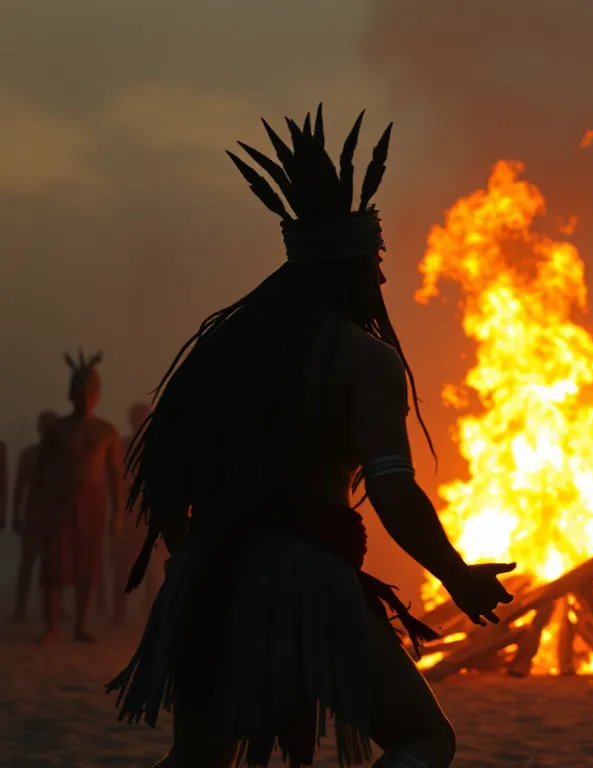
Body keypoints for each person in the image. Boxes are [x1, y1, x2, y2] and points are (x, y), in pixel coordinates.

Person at [105, 107, 516, 768]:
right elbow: (393, 491)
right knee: (425, 738)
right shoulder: (365, 359)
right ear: (353, 267)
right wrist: (456, 576)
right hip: (304, 579)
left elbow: (165, 473)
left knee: (200, 760)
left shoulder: (225, 349)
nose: (383, 280)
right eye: (378, 264)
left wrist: (196, 560)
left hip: (210, 574)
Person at [28, 352, 123, 643]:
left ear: (97, 394)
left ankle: (80, 625)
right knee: (54, 566)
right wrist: (33, 507)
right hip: (59, 503)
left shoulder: (107, 431)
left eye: (90, 390)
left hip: (93, 503)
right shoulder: (57, 430)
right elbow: (40, 472)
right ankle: (52, 626)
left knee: (88, 566)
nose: (84, 396)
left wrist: (117, 513)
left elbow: (114, 477)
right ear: (70, 393)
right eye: (79, 390)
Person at [8, 410, 59, 621]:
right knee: (28, 565)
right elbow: (19, 487)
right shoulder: (30, 454)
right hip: (35, 515)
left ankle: (54, 610)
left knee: (55, 566)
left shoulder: (62, 454)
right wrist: (16, 515)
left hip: (55, 517)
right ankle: (20, 609)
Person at [111, 402, 158, 625]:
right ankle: (119, 612)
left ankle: (151, 610)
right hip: (128, 513)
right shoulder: (121, 445)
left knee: (152, 565)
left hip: (150, 511)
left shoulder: (158, 444)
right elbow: (114, 478)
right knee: (123, 564)